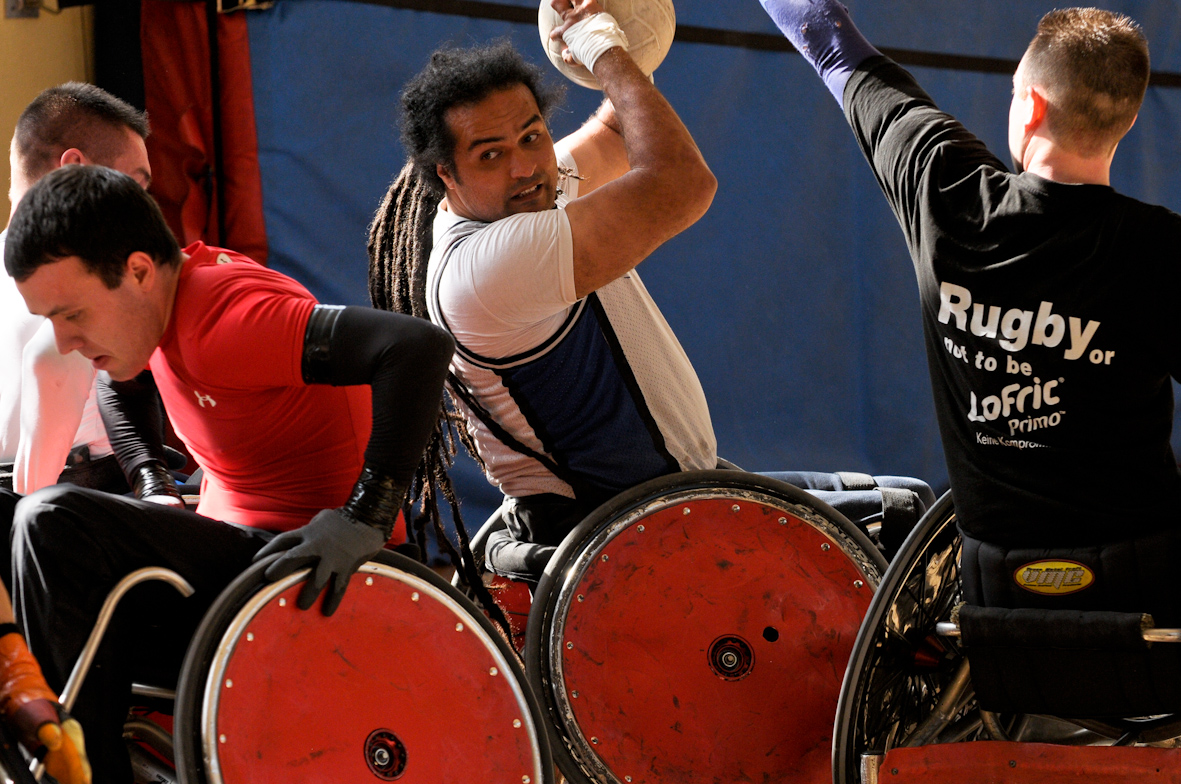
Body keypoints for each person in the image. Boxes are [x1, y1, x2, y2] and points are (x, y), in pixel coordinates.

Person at [6, 164, 455, 782]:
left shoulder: (227, 322)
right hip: (246, 562)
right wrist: (152, 484)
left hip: (318, 578)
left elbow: (414, 348)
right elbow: (121, 388)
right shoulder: (157, 304)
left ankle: (75, 771)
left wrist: (366, 518)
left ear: (137, 270)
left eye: (72, 315)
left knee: (50, 521)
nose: (63, 339)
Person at [755, 3, 1181, 579]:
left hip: (993, 594)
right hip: (1144, 594)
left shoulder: (943, 190)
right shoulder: (1159, 250)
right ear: (1126, 122)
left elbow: (830, 43)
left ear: (1031, 106)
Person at [369, 1, 719, 553]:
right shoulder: (491, 266)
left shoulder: (519, 199)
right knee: (902, 518)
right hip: (627, 536)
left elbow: (615, 136)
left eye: (532, 136)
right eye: (491, 155)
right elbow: (681, 184)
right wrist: (602, 47)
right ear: (446, 174)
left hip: (664, 506)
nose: (525, 166)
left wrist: (623, 38)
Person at [1, 83, 154, 498]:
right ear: (74, 168)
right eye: (136, 186)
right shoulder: (101, 278)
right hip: (68, 500)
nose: (142, 208)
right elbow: (51, 361)